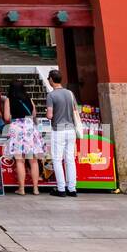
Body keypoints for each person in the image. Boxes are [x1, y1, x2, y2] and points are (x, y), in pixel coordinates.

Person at [3, 81, 45, 196]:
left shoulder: (9, 99)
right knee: (33, 160)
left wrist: (15, 115)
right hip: (30, 128)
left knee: (20, 160)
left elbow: (6, 117)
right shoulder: (28, 98)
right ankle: (36, 189)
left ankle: (22, 189)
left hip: (17, 128)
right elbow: (34, 114)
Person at [44, 70, 78, 198]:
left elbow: (49, 115)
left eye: (49, 79)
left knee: (57, 159)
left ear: (52, 80)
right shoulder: (70, 93)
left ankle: (61, 189)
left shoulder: (51, 96)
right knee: (70, 159)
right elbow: (75, 110)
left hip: (58, 130)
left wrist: (47, 111)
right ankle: (72, 188)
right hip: (71, 130)